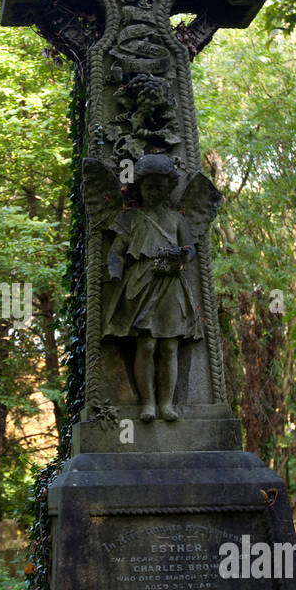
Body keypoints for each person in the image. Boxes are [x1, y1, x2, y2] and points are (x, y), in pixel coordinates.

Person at [104, 153, 202, 422]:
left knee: (169, 346)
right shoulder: (130, 219)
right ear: (139, 188)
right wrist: (114, 274)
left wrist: (182, 256)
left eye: (160, 187)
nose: (155, 192)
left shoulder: (177, 220)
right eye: (149, 187)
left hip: (170, 285)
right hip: (141, 284)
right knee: (146, 344)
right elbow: (116, 252)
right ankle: (147, 403)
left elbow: (190, 248)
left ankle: (166, 404)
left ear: (169, 188)